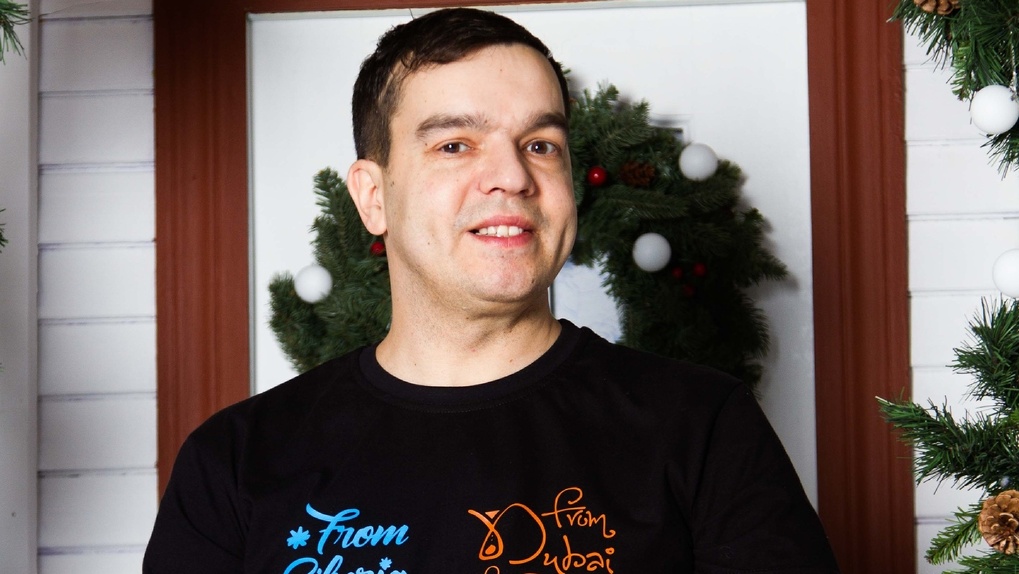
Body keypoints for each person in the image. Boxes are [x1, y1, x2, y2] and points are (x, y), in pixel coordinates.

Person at [143, 8, 839, 573]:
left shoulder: (703, 427)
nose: (512, 175)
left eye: (541, 145)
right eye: (455, 144)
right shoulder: (234, 461)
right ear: (373, 196)